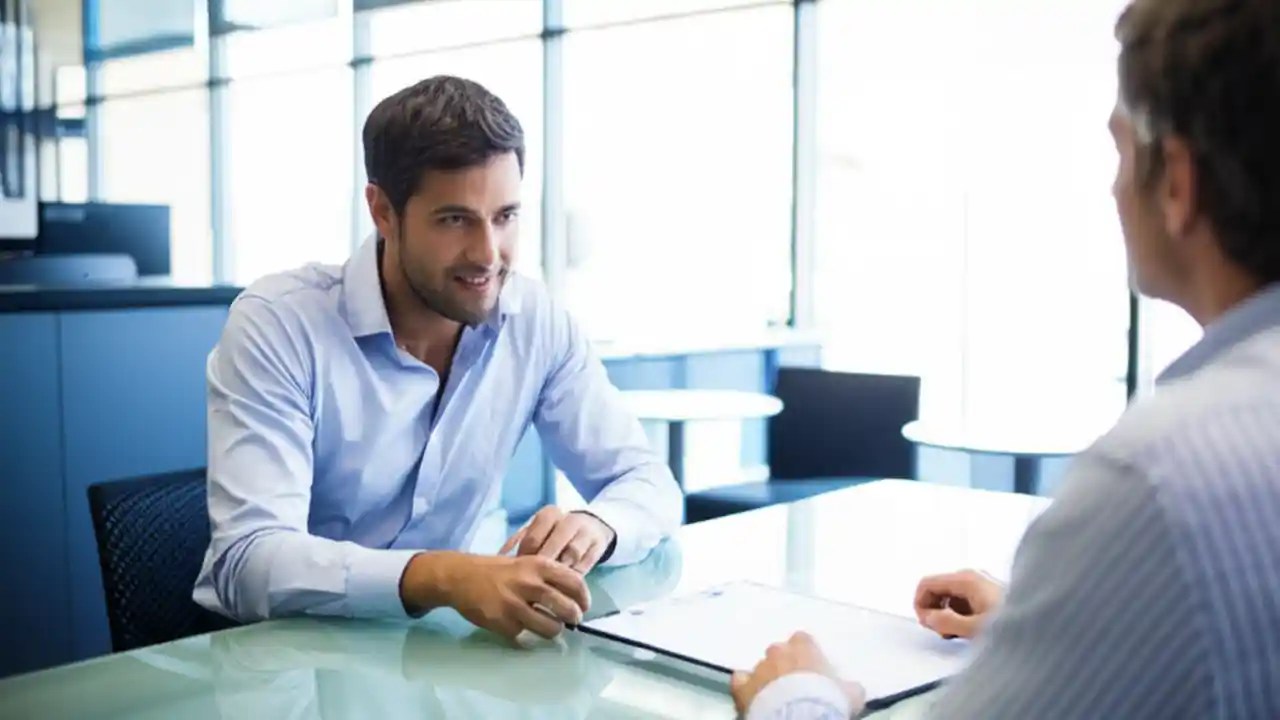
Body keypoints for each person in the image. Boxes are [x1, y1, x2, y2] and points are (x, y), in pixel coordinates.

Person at [733, 0, 1280, 717]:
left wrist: (798, 698)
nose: (1114, 188)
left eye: (1120, 152)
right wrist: (1074, 622)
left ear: (1177, 181)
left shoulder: (1159, 480)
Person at [194, 76, 681, 643]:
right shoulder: (281, 324)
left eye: (505, 217)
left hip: (436, 656)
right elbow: (247, 561)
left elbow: (646, 480)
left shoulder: (535, 322)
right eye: (455, 220)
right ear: (382, 211)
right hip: (284, 661)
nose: (487, 254)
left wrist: (596, 523)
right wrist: (445, 575)